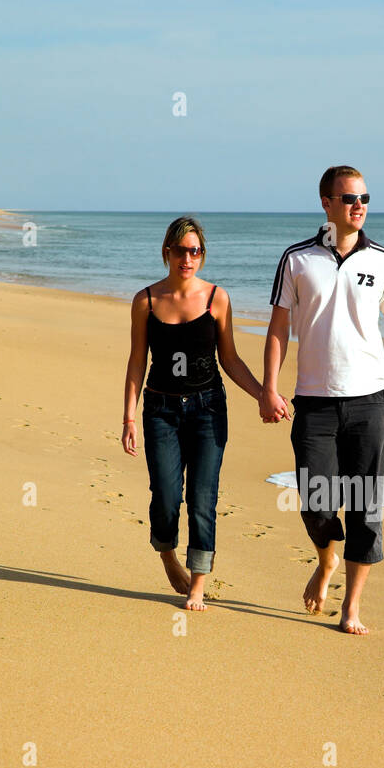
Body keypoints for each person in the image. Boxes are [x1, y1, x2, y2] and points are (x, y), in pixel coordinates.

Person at [261, 166, 384, 635]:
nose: (357, 205)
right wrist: (268, 386)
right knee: (316, 504)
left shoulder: (383, 261)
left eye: (363, 198)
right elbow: (279, 326)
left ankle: (351, 608)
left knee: (364, 506)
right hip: (314, 401)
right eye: (347, 198)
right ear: (326, 203)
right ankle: (327, 560)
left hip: (369, 401)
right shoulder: (297, 260)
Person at [122, 216, 281, 609]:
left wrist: (264, 394)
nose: (187, 258)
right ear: (167, 252)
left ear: (201, 255)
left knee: (202, 497)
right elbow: (136, 362)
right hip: (160, 410)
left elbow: (229, 358)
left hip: (208, 410)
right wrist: (128, 416)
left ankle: (198, 583)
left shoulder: (217, 299)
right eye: (180, 250)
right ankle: (166, 553)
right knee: (165, 495)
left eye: (195, 251)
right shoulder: (146, 301)